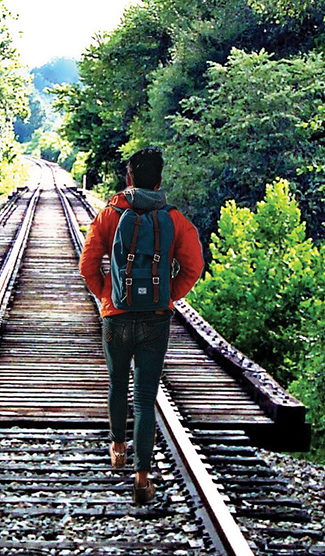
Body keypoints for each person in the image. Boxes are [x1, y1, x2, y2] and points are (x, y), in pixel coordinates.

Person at [78, 147, 203, 505]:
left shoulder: (110, 214)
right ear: (159, 180)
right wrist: (169, 295)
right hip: (155, 318)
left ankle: (118, 447)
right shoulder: (175, 220)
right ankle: (142, 479)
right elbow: (193, 267)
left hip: (116, 316)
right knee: (146, 397)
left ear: (129, 178)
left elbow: (88, 265)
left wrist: (107, 294)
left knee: (118, 382)